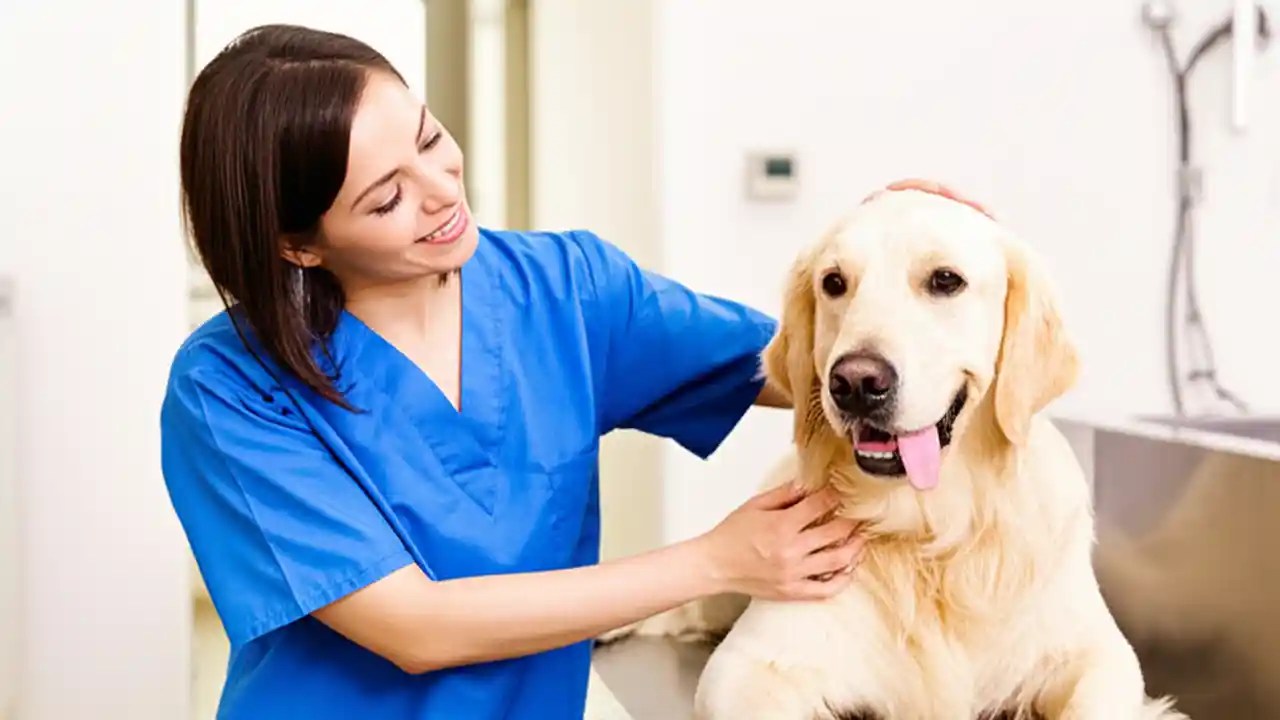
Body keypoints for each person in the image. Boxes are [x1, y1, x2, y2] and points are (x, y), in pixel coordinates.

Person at [160, 23, 865, 720]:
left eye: (431, 139)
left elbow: (800, 368)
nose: (440, 191)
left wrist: (900, 253)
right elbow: (415, 627)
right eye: (386, 198)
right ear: (300, 246)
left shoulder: (567, 289)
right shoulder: (229, 386)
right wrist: (717, 561)